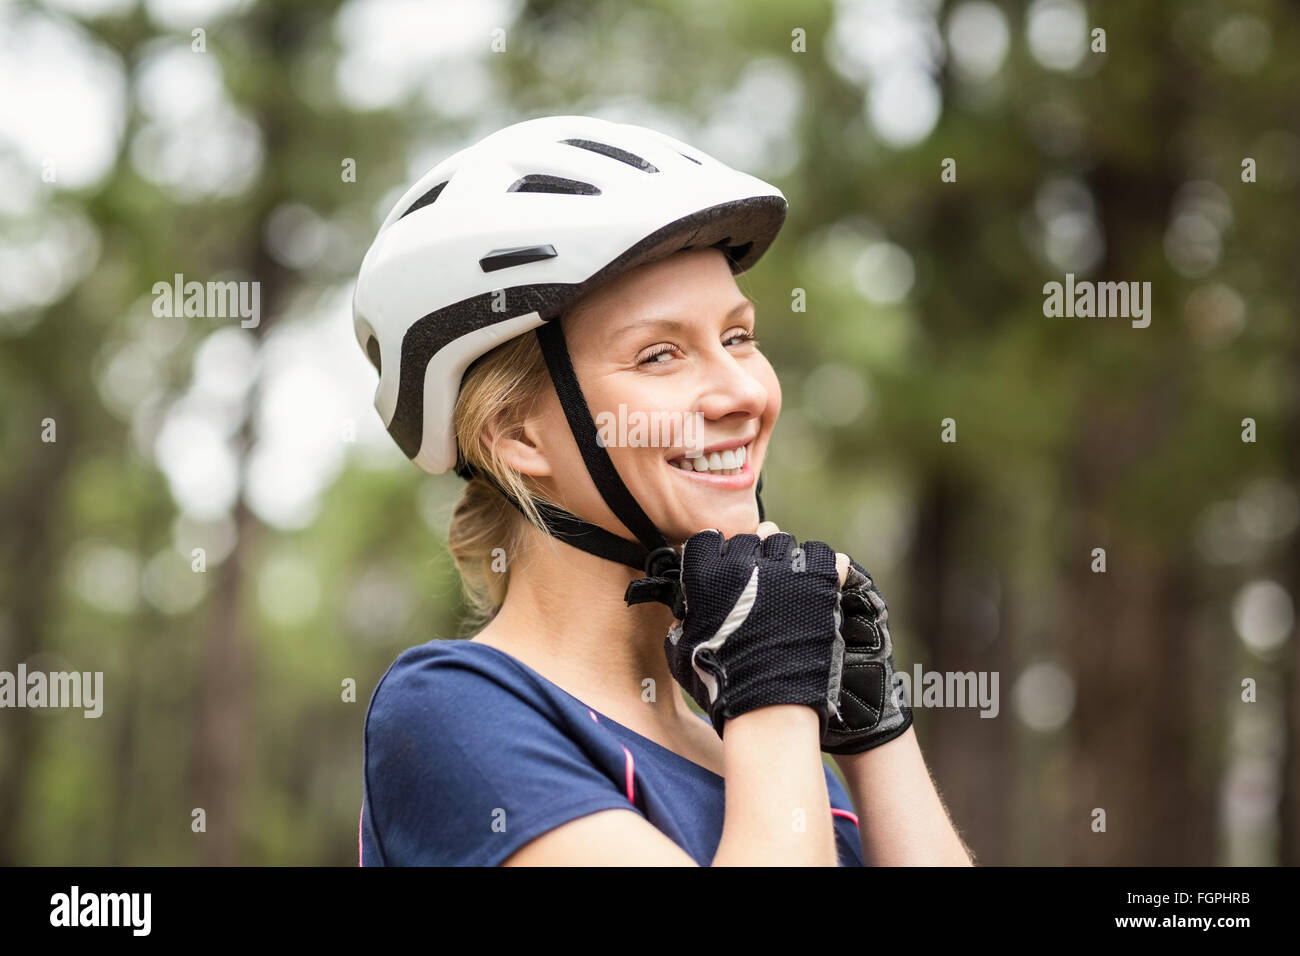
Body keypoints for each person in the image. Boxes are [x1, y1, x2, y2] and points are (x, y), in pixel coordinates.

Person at [353, 115, 972, 865]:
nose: (743, 391)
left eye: (739, 337)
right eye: (659, 355)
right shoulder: (455, 711)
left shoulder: (773, 760)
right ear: (518, 434)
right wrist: (775, 686)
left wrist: (876, 735)